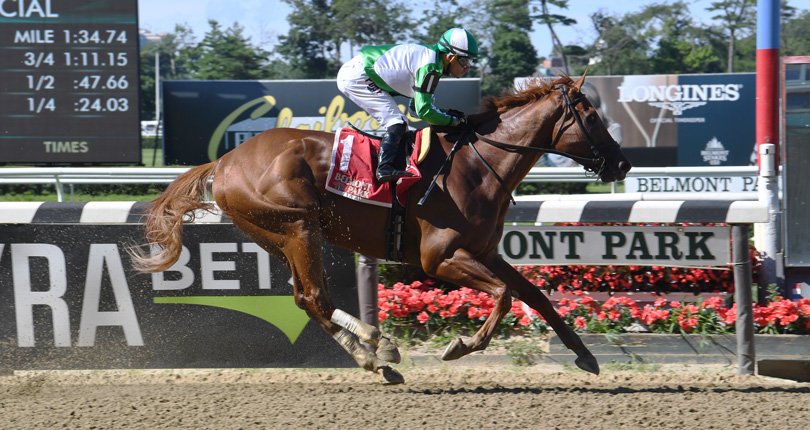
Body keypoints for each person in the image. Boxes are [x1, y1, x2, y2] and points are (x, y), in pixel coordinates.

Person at [337, 28, 479, 183]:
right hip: (358, 76)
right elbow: (424, 111)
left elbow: (415, 108)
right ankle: (384, 169)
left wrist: (445, 115)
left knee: (401, 123)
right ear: (450, 57)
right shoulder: (430, 67)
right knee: (396, 122)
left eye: (470, 61)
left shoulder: (433, 62)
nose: (467, 67)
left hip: (359, 72)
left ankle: (393, 167)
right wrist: (453, 121)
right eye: (464, 60)